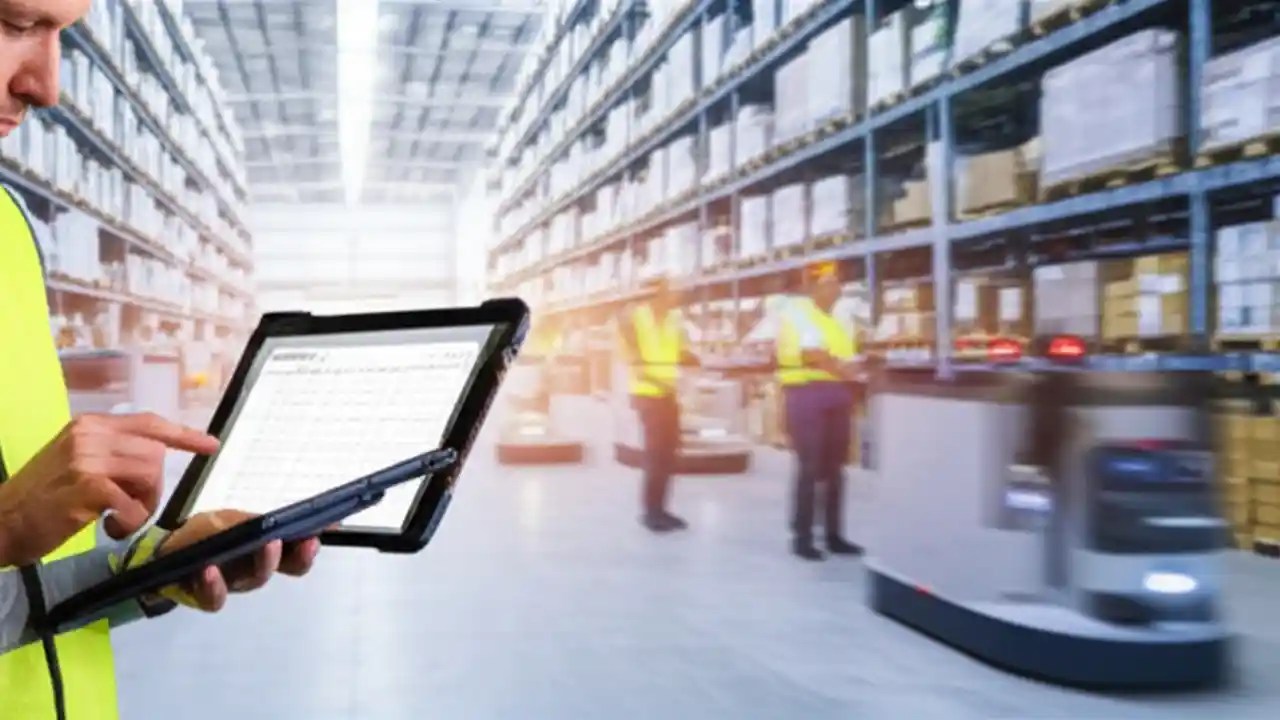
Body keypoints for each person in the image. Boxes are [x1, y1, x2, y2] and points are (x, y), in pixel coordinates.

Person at [1, 2, 322, 718]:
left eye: (64, 38)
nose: (46, 87)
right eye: (14, 24)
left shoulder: (10, 234)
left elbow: (13, 604)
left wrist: (145, 570)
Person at [775, 262, 862, 560]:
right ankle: (802, 537)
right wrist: (849, 373)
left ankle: (834, 535)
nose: (837, 288)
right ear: (813, 288)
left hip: (836, 395)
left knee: (836, 469)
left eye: (838, 282)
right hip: (807, 394)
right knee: (809, 467)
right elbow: (815, 355)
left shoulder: (836, 320)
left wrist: (857, 370)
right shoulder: (799, 312)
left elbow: (847, 359)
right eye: (829, 282)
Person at [617, 278, 699, 532]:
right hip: (648, 395)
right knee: (656, 454)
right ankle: (651, 512)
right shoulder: (634, 319)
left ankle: (662, 509)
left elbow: (681, 351)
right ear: (657, 294)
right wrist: (665, 383)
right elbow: (635, 361)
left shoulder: (675, 319)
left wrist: (692, 359)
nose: (676, 296)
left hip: (668, 394)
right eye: (671, 292)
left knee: (669, 454)